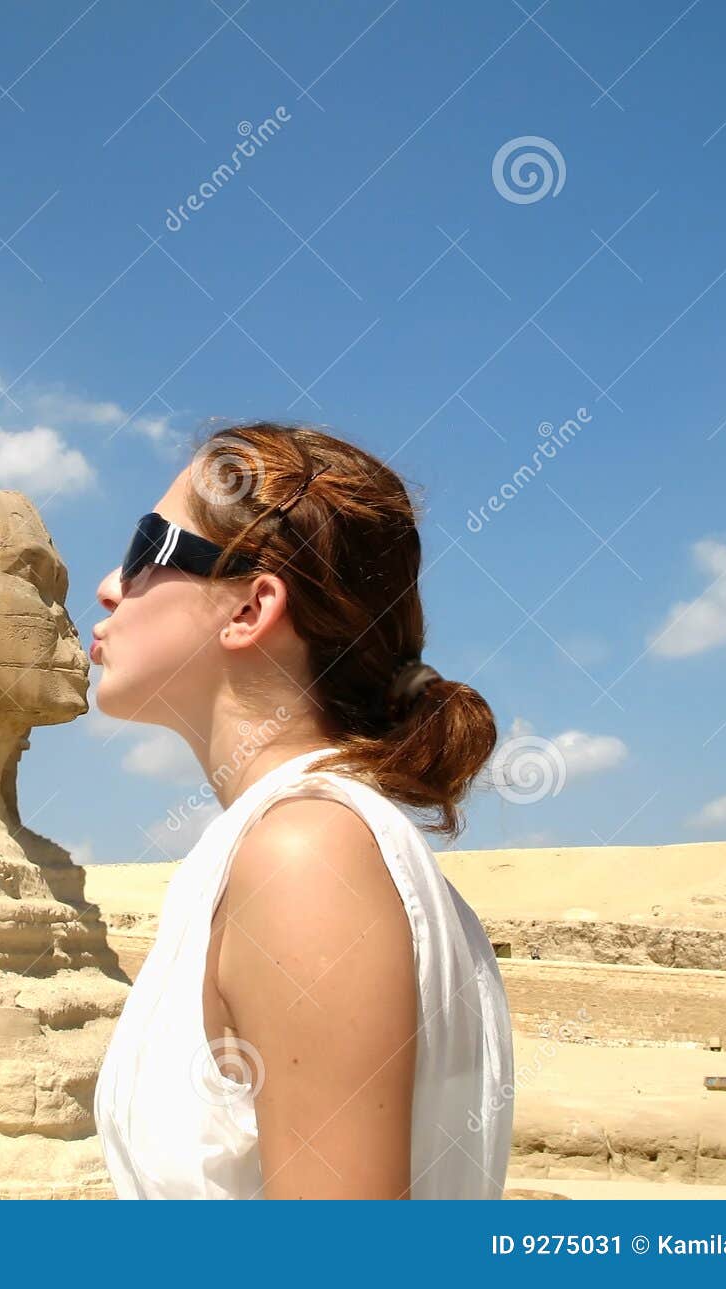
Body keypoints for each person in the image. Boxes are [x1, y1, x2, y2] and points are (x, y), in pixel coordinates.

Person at [89, 422, 514, 1199]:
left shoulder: (307, 857)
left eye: (148, 546)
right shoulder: (286, 841)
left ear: (250, 608)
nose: (110, 586)